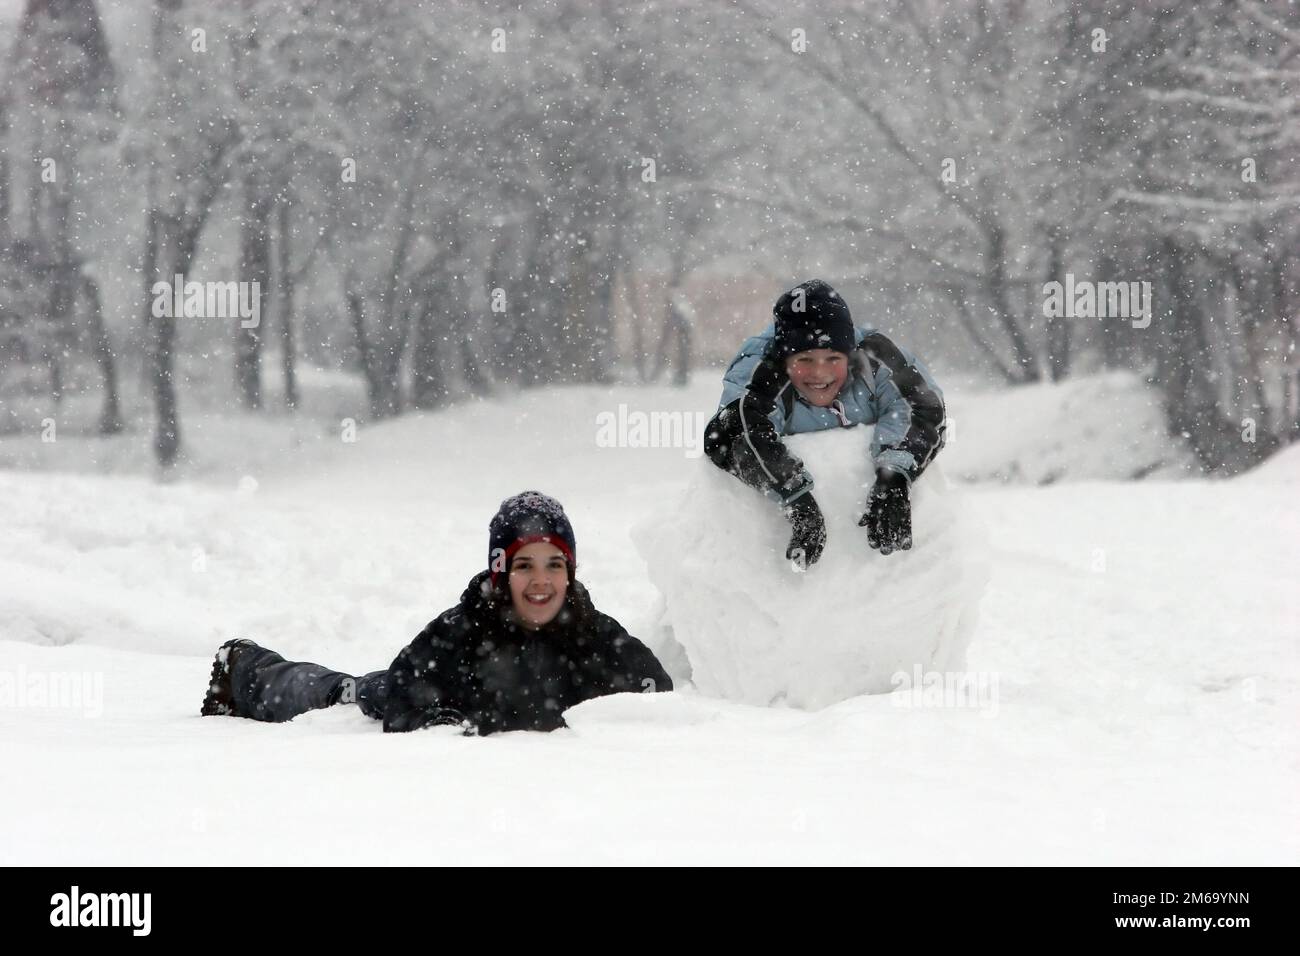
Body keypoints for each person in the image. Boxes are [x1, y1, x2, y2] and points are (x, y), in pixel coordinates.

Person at [200, 491, 672, 734]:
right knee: (339, 693)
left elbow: (657, 693)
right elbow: (405, 701)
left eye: (555, 565)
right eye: (524, 566)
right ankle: (245, 666)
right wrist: (453, 721)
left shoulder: (595, 634)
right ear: (501, 573)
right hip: (404, 689)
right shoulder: (464, 628)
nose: (541, 582)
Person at [703, 278, 947, 566]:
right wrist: (796, 499)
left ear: (850, 353)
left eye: (833, 358)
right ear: (783, 358)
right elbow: (732, 432)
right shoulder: (760, 367)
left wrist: (895, 475)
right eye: (805, 359)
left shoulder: (876, 357)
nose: (820, 373)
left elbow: (922, 409)